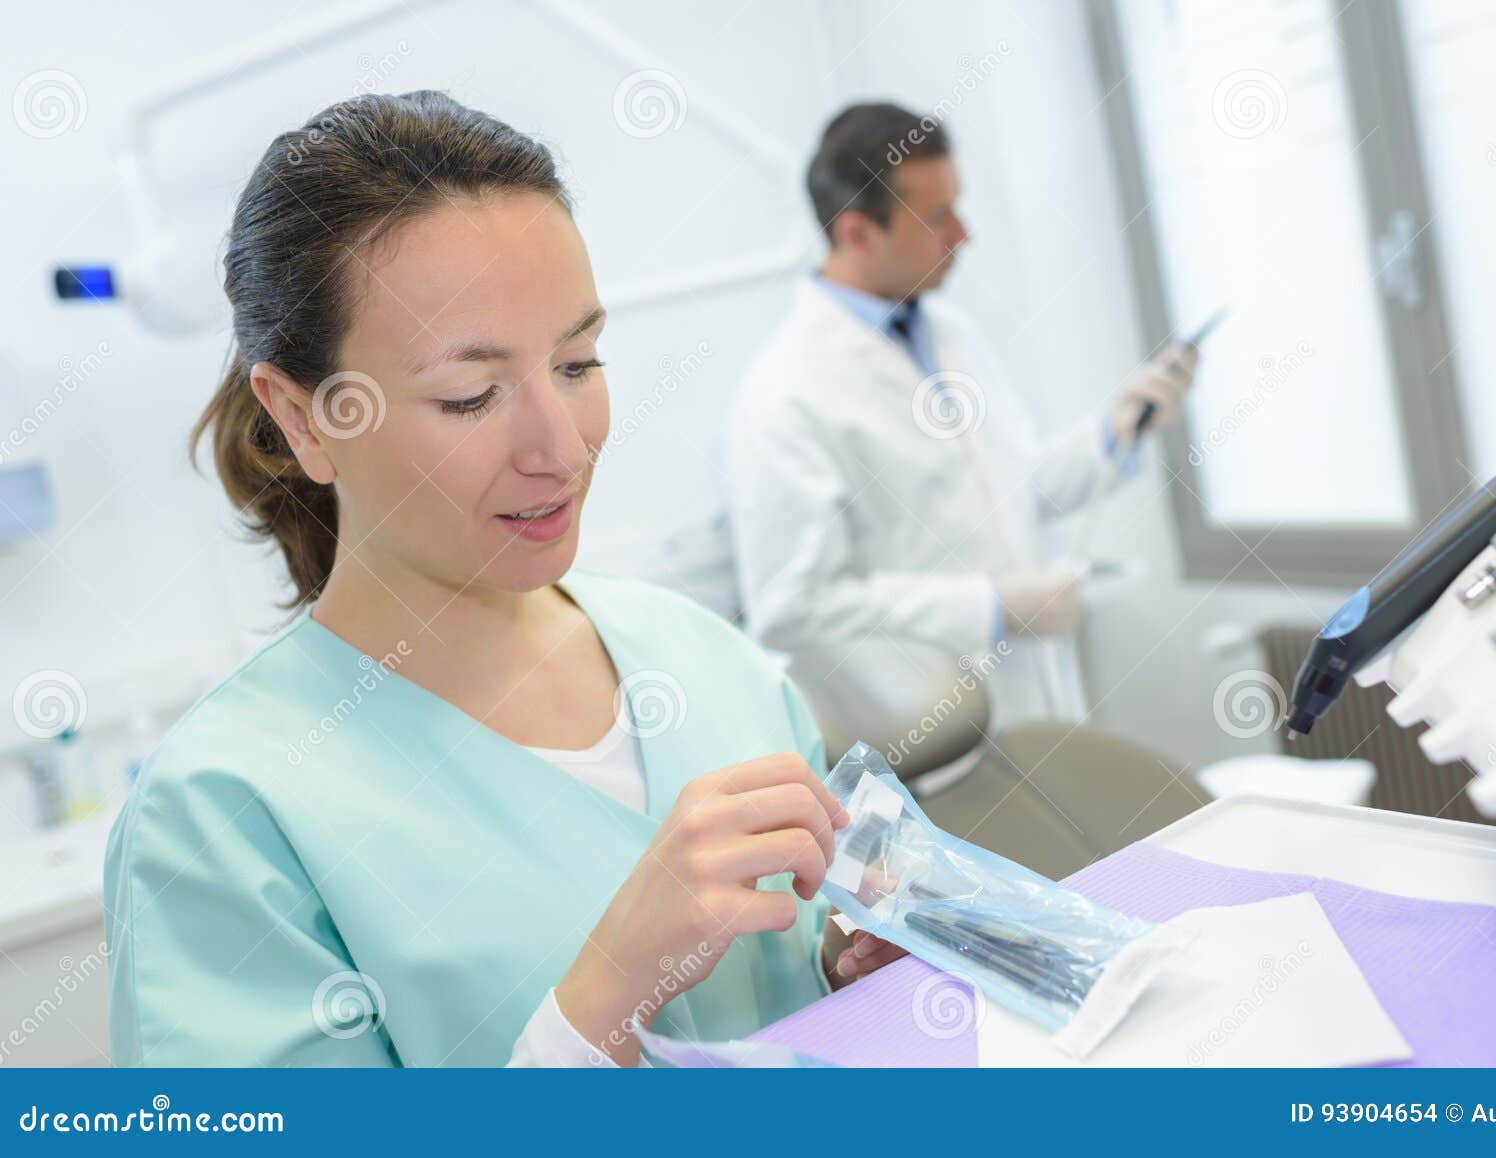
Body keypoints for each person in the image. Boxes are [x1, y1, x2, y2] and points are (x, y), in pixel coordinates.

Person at [103, 91, 902, 1069]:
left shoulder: (702, 659)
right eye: (469, 395)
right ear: (306, 419)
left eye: (578, 362)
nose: (562, 449)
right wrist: (602, 998)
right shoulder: (224, 814)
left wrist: (846, 969)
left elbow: (785, 1008)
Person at [729, 102, 1197, 734]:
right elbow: (792, 607)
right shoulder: (786, 395)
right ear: (857, 234)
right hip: (930, 736)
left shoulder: (948, 334)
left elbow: (1016, 489)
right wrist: (992, 609)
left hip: (1036, 700)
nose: (964, 235)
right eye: (939, 217)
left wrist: (1114, 431)